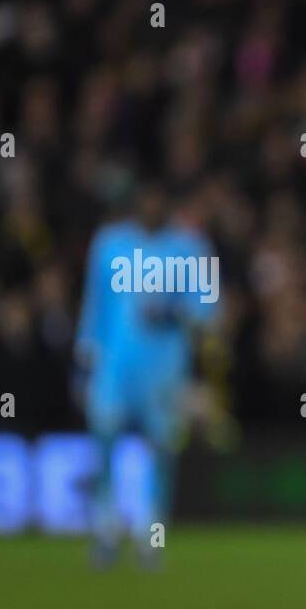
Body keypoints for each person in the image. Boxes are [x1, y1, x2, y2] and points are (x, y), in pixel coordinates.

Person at [74, 179, 219, 568]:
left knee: (161, 453)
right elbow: (95, 306)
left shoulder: (192, 247)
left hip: (165, 373)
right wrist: (84, 361)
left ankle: (151, 537)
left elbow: (208, 315)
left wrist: (173, 313)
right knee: (104, 441)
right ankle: (104, 531)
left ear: (167, 203)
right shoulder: (108, 243)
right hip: (114, 369)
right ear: (137, 202)